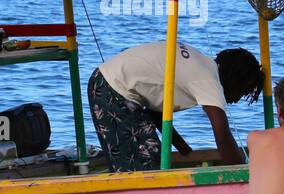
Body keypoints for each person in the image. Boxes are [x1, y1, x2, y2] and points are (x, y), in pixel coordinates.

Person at [88, 41, 262, 171]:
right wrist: (242, 174)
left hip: (108, 83)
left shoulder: (202, 62)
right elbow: (222, 136)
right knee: (145, 163)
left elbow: (153, 107)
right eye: (243, 92)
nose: (236, 100)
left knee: (146, 158)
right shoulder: (208, 81)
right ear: (237, 80)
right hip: (113, 89)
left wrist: (184, 149)